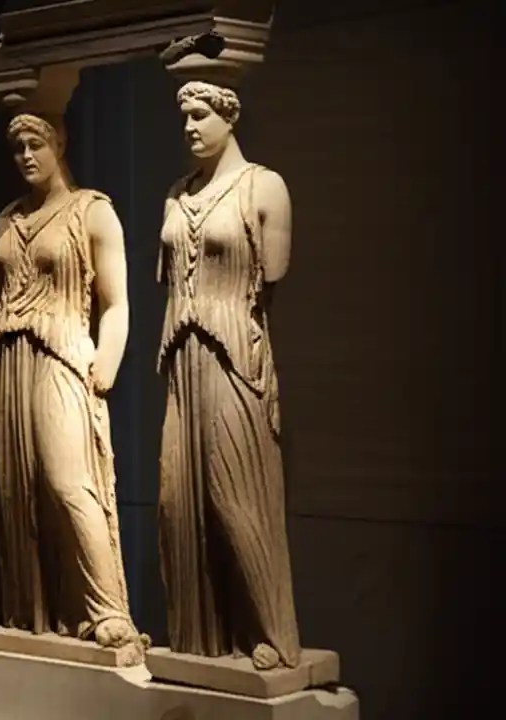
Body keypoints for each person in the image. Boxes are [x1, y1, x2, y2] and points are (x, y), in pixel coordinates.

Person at [0, 112, 143, 650]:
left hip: (63, 349)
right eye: (18, 147)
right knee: (15, 491)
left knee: (69, 480)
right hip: (7, 357)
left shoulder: (92, 212)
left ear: (60, 144)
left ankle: (108, 608)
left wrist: (107, 361)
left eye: (36, 144)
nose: (27, 155)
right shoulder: (5, 220)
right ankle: (34, 612)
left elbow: (115, 302)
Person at [156, 80, 302, 670]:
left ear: (227, 115)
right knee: (175, 499)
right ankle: (200, 635)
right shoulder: (176, 194)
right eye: (184, 116)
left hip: (235, 353)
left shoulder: (264, 186)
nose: (190, 126)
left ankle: (271, 629)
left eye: (200, 115)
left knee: (235, 496)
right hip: (181, 356)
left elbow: (274, 274)